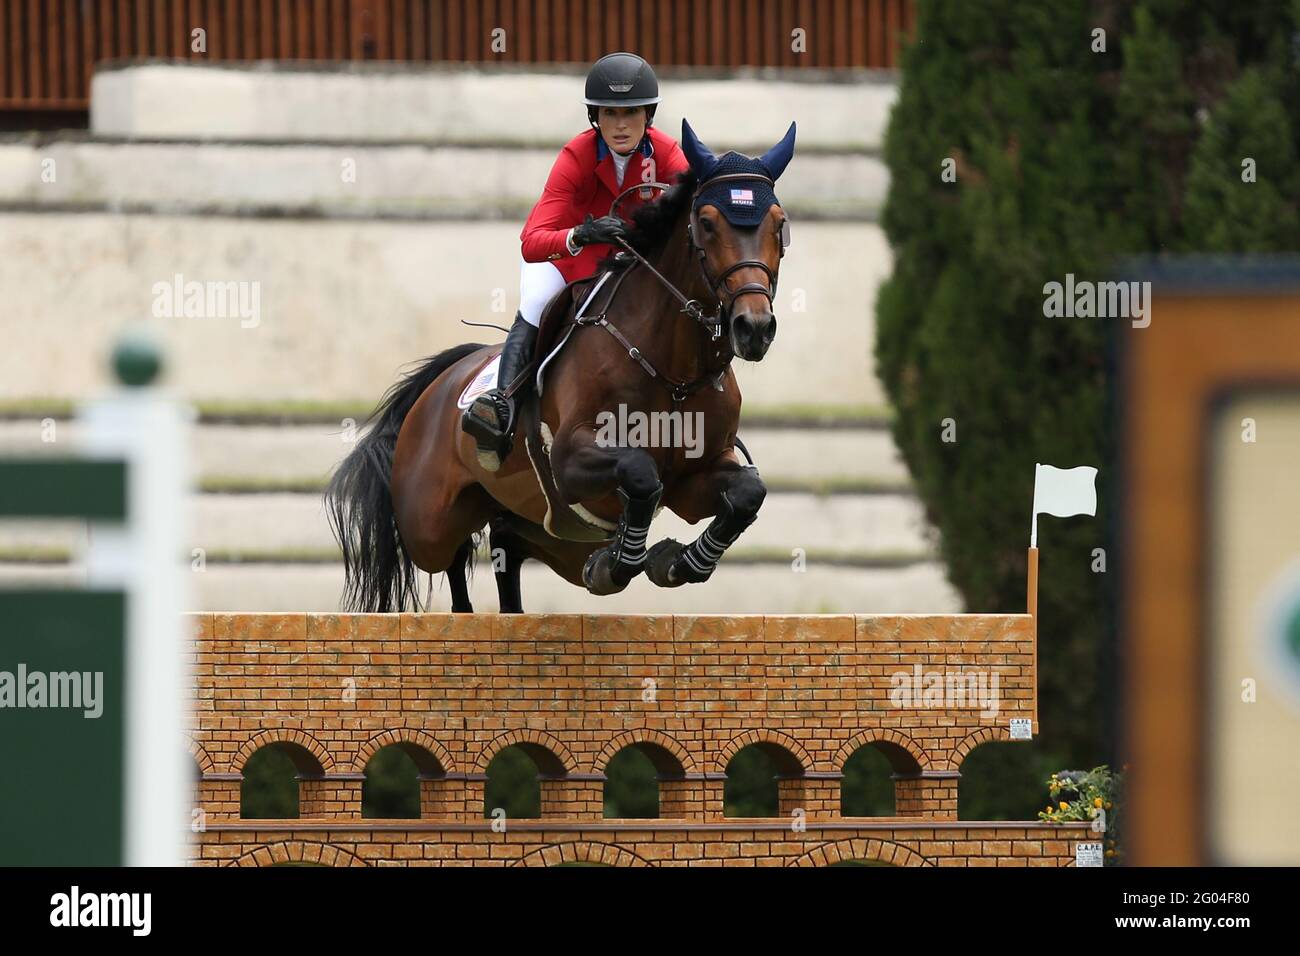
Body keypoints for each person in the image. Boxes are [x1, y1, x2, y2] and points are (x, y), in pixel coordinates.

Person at [462, 51, 691, 471]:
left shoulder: (669, 155)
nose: (620, 124)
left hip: (627, 269)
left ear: (648, 115)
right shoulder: (577, 156)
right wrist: (580, 235)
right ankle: (501, 406)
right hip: (564, 259)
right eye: (610, 113)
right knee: (535, 304)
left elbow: (694, 215)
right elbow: (531, 242)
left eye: (631, 112)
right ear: (595, 117)